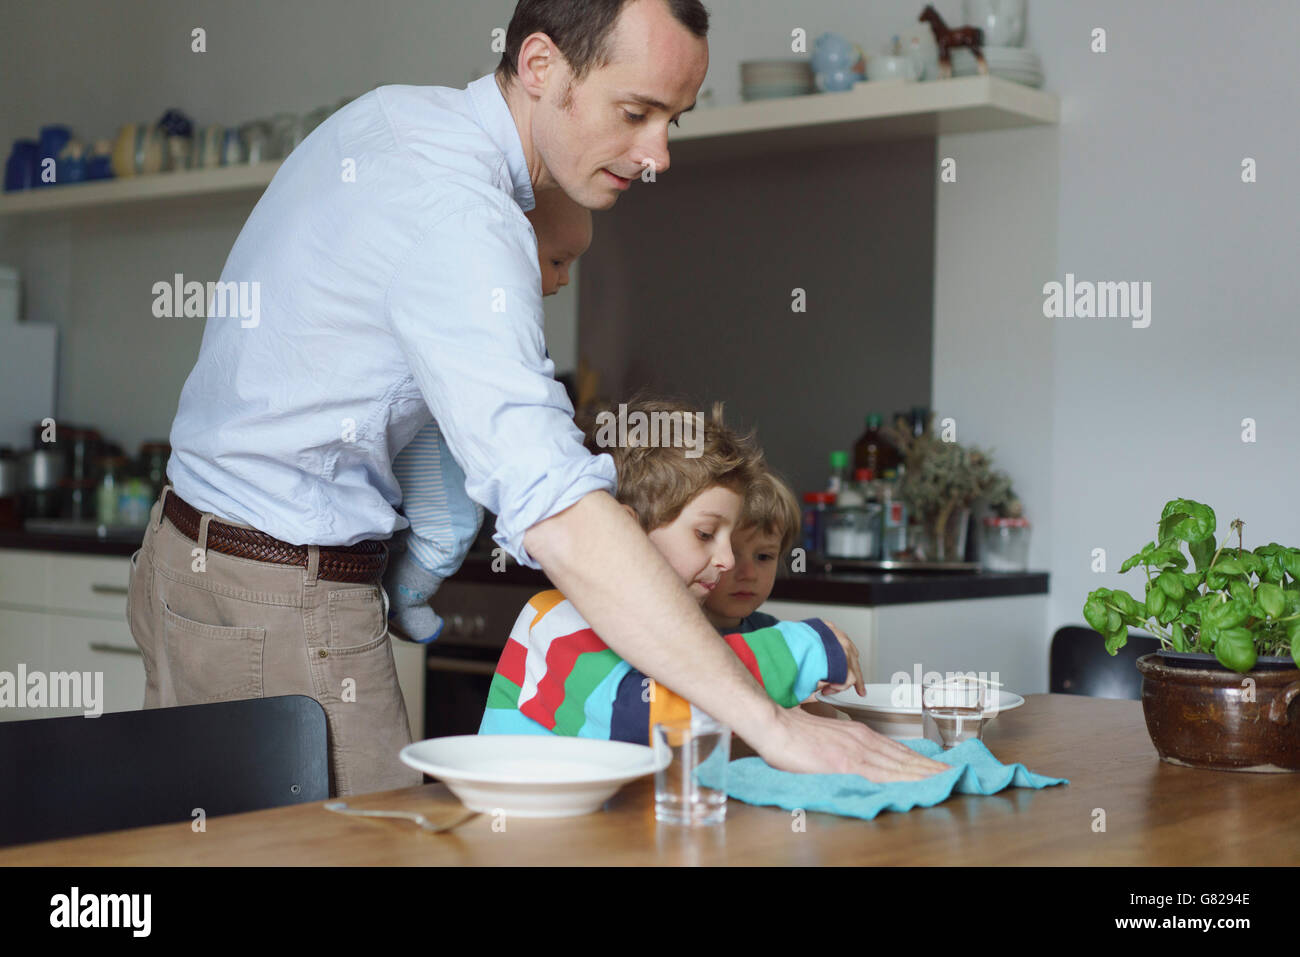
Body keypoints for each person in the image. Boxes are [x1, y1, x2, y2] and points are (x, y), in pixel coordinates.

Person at [127, 0, 946, 796]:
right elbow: (555, 505)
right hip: (278, 599)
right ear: (541, 65)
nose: (658, 153)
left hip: (188, 559)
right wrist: (776, 724)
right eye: (635, 111)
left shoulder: (396, 118)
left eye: (674, 119)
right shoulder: (464, 218)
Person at [479, 397, 864, 740]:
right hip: (528, 820)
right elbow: (640, 717)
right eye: (705, 533)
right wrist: (800, 651)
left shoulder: (691, 622)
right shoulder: (555, 620)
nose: (728, 561)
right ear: (626, 530)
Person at [384, 189, 592, 644]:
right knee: (450, 531)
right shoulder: (489, 303)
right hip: (425, 432)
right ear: (510, 247)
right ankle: (404, 599)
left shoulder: (457, 284)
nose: (566, 279)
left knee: (418, 519)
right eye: (558, 262)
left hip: (420, 431)